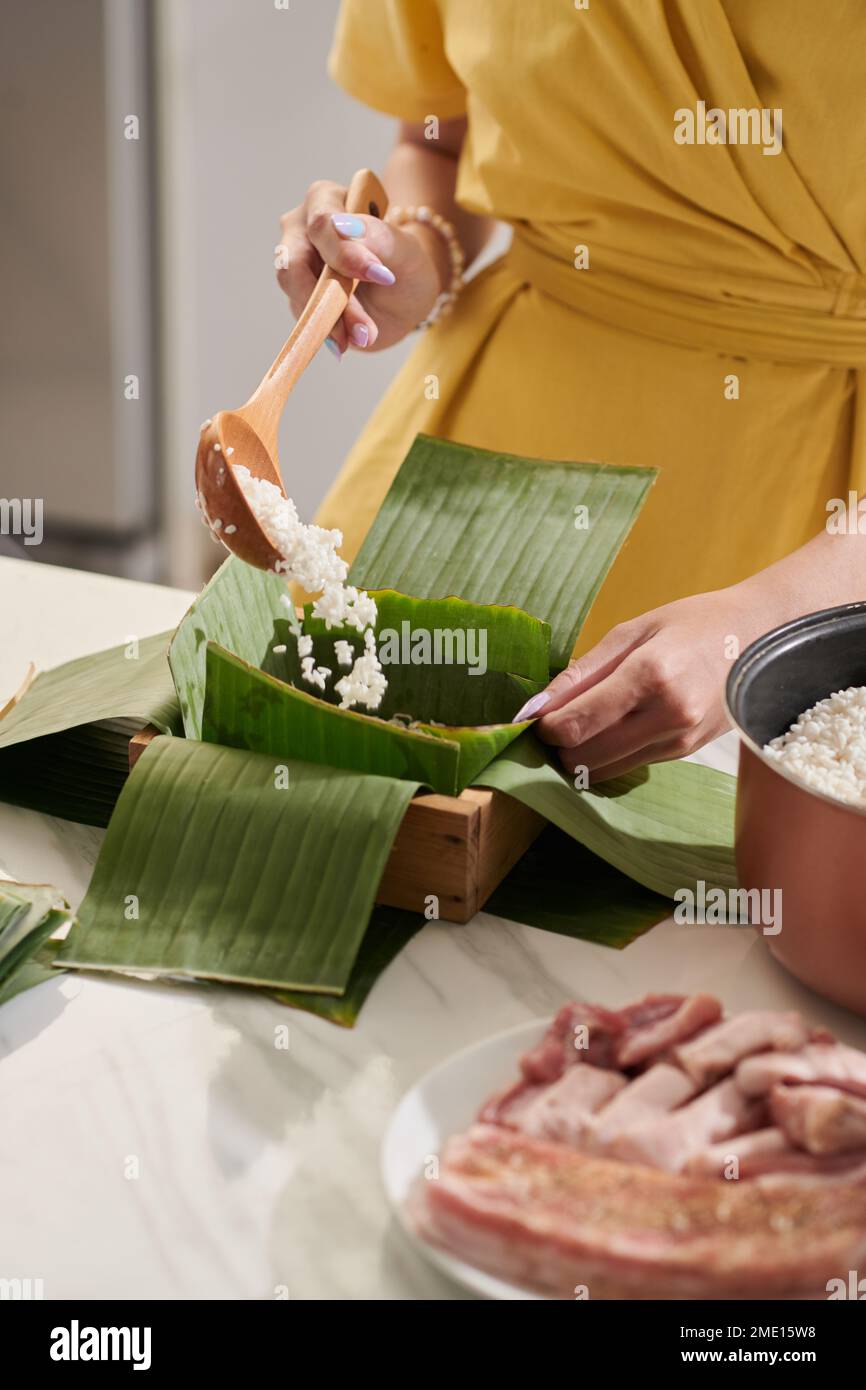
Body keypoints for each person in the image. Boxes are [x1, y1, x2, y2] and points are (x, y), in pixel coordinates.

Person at [276, 0, 866, 782]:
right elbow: (440, 137)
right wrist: (417, 252)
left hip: (828, 532)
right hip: (486, 458)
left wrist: (771, 621)